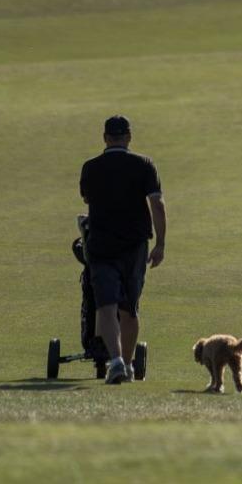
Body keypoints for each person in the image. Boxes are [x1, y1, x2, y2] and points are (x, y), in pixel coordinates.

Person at [79, 114, 166, 385]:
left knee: (106, 305)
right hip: (134, 245)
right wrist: (161, 243)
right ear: (128, 137)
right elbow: (157, 204)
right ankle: (127, 365)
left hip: (101, 245)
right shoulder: (144, 165)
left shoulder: (90, 167)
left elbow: (87, 198)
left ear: (105, 138)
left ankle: (115, 361)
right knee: (130, 308)